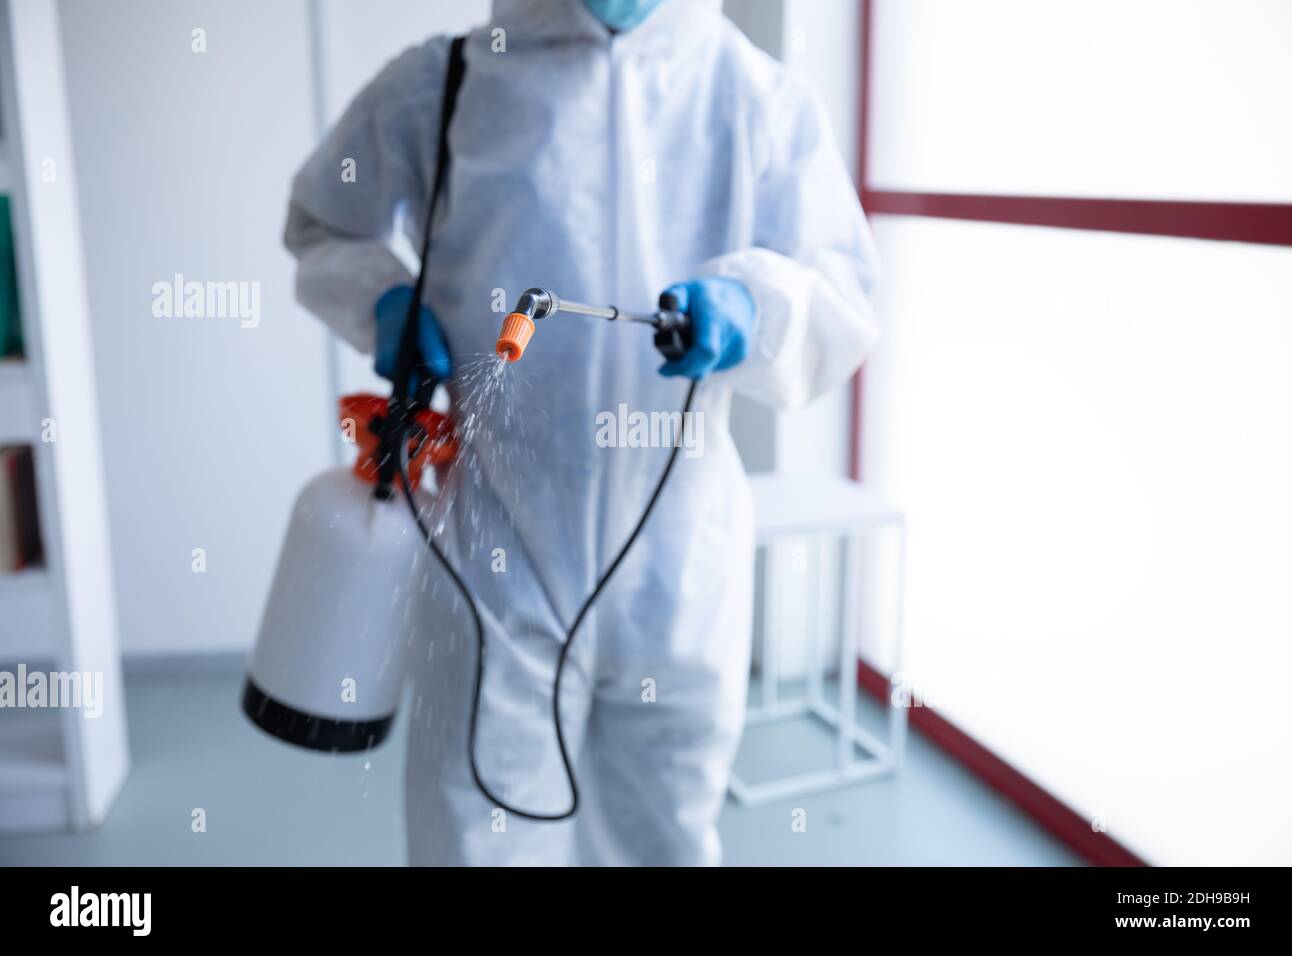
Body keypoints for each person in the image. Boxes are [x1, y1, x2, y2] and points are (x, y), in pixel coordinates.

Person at [284, 0, 879, 866]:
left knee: (662, 835)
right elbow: (323, 222)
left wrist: (756, 308)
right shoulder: (448, 81)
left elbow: (844, 290)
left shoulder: (755, 97)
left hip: (677, 565)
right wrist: (383, 299)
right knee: (477, 834)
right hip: (491, 558)